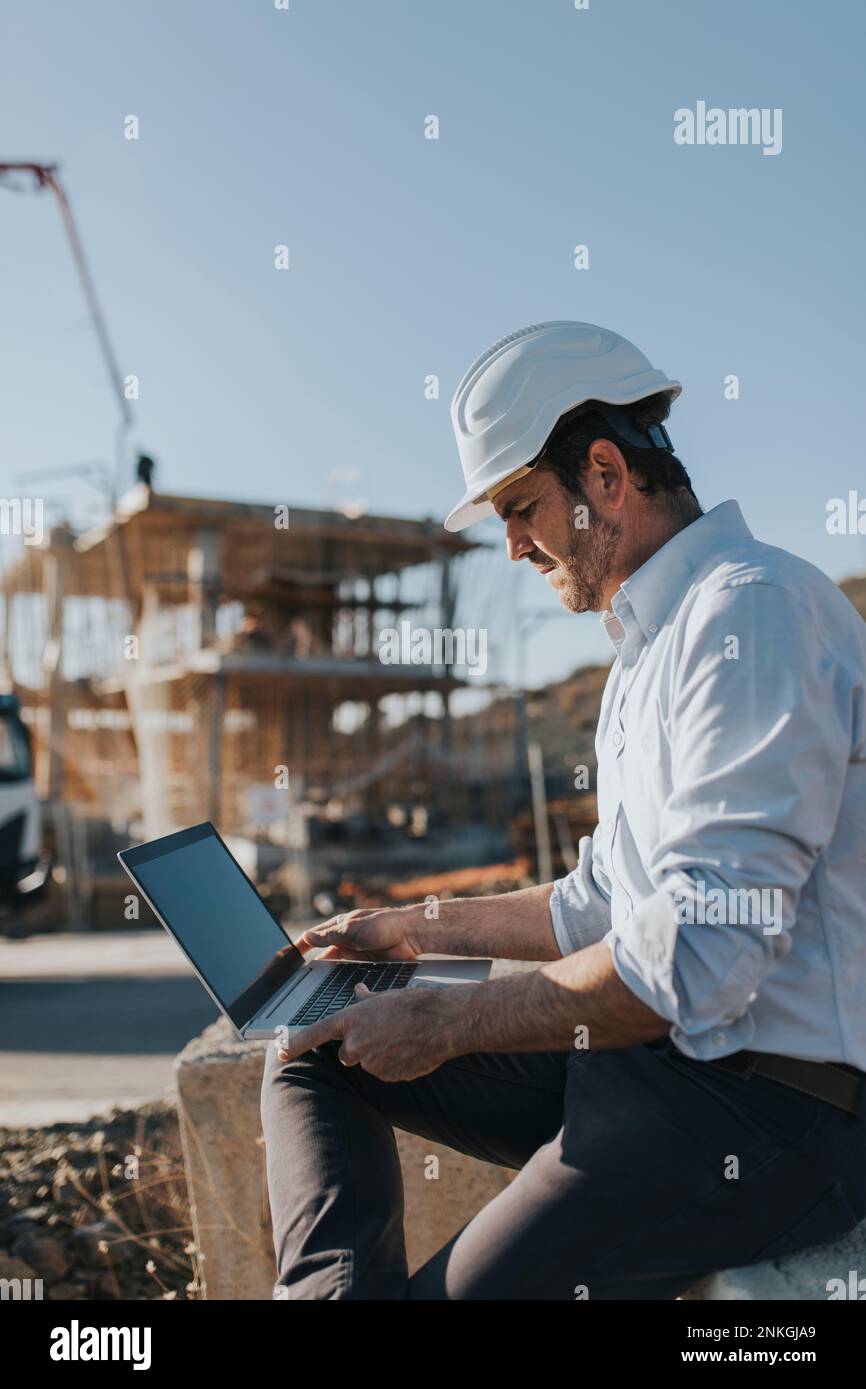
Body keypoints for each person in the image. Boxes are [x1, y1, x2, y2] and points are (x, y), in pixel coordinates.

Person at [261, 321, 866, 1299]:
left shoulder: (748, 615)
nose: (507, 544)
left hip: (763, 1119)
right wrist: (404, 930)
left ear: (604, 475)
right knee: (308, 1049)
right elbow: (598, 906)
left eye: (519, 507)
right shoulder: (647, 649)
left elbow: (697, 954)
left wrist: (450, 1023)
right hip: (651, 1064)